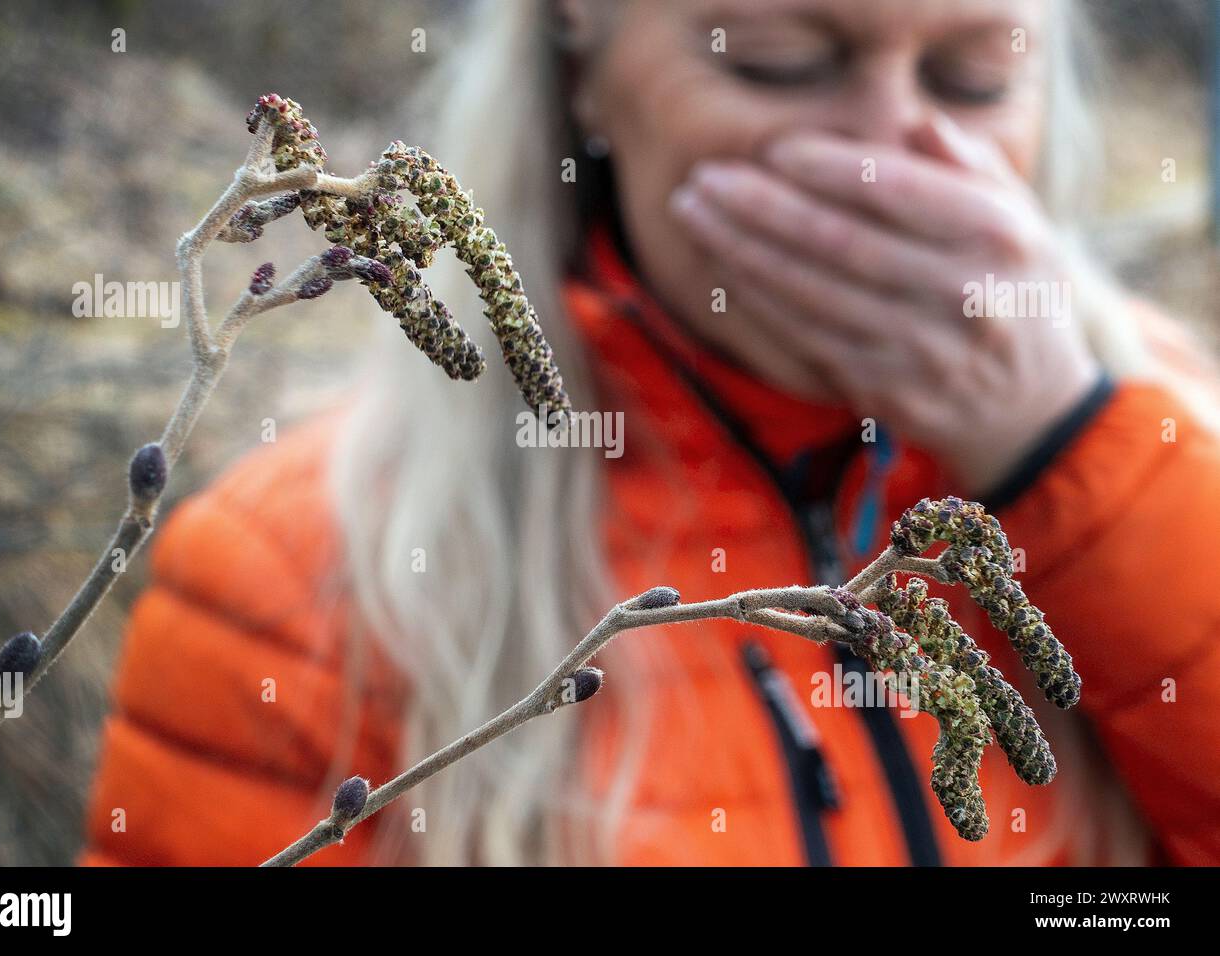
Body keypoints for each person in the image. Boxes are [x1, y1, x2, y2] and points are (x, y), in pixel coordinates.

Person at [82, 0, 1220, 866]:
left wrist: (1070, 463)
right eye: (780, 62)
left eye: (970, 82)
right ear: (586, 69)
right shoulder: (300, 579)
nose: (889, 151)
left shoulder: (1169, 439)